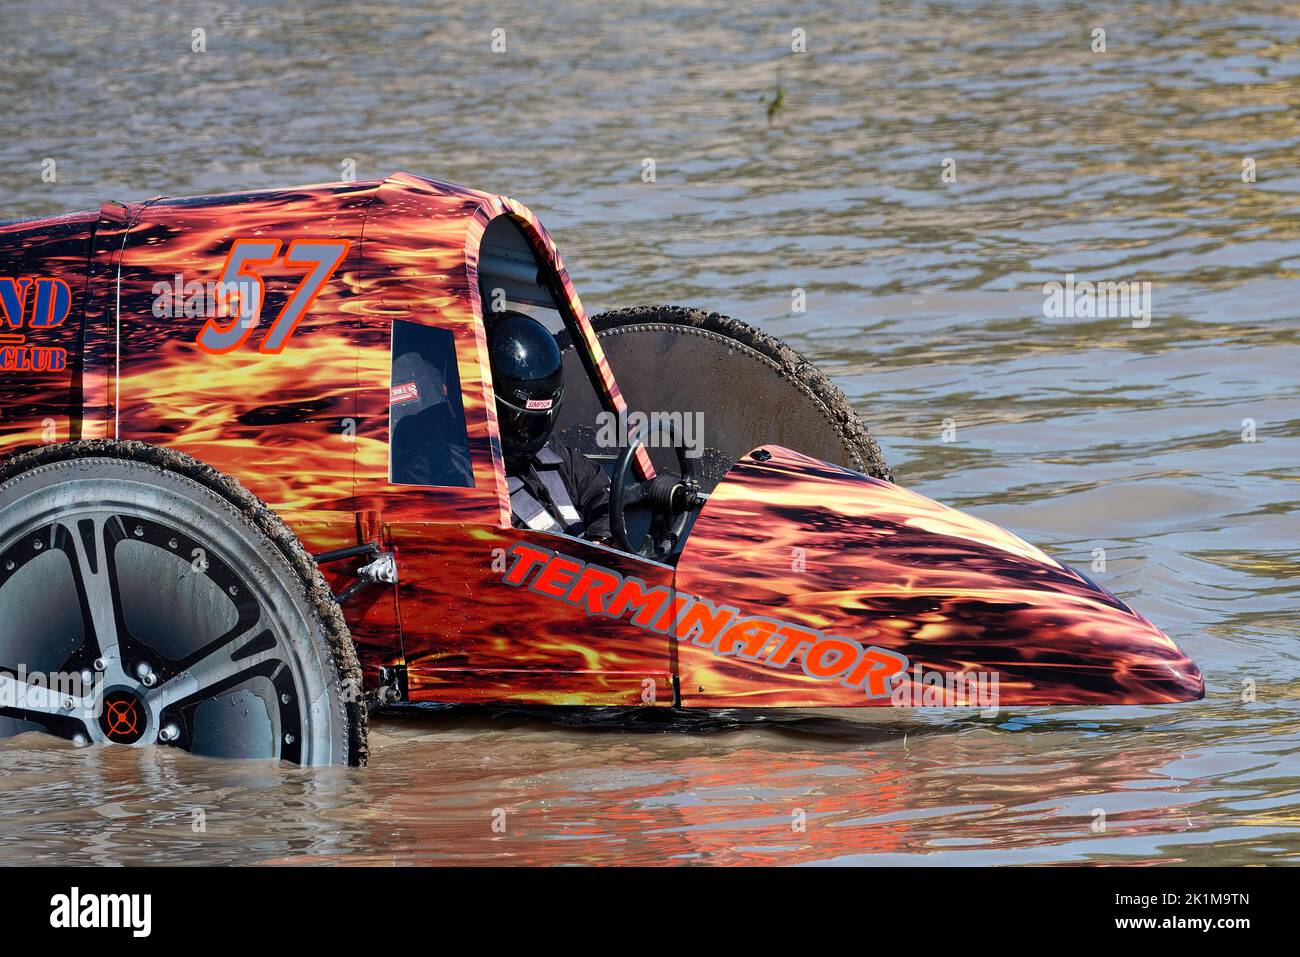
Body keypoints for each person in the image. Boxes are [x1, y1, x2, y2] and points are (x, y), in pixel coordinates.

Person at [487, 310, 612, 542]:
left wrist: (601, 537)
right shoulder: (467, 474)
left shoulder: (551, 450)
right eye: (520, 420)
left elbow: (600, 491)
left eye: (538, 421)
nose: (527, 432)